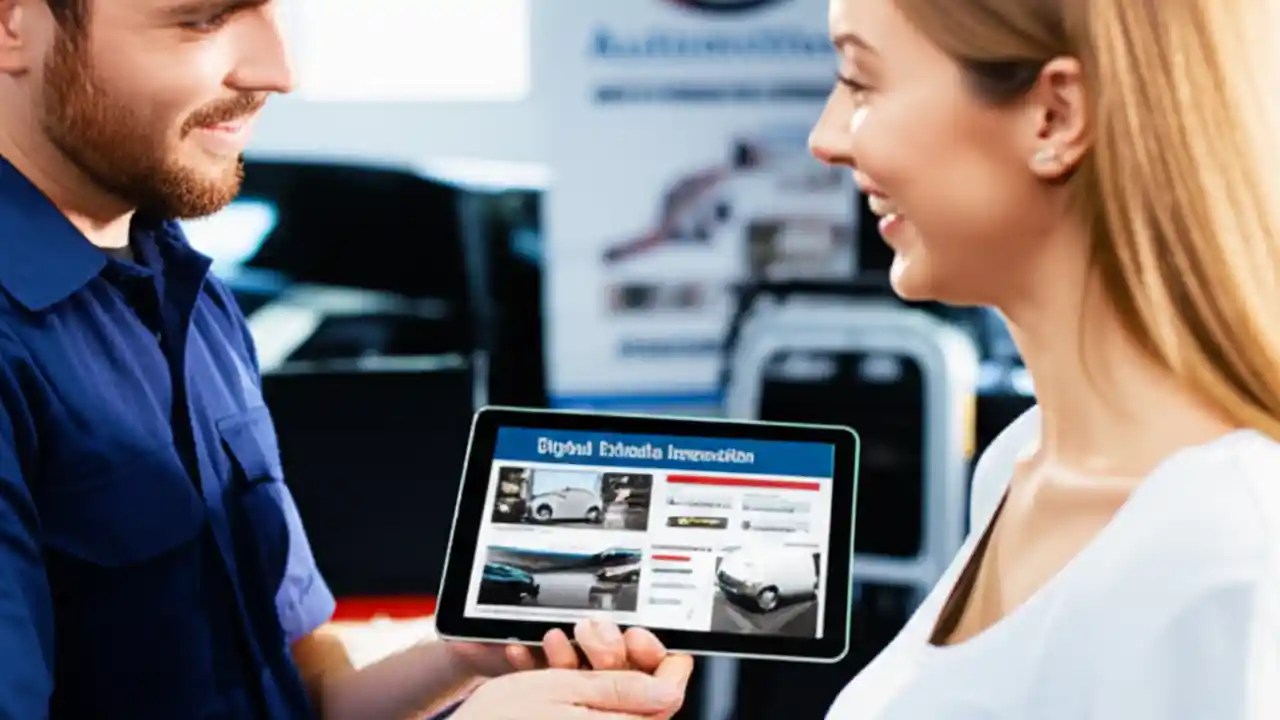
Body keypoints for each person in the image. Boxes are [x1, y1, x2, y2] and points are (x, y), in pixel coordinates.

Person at [0, 0, 691, 718]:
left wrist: (462, 654)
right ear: (13, 24)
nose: (277, 71)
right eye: (202, 19)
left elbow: (306, 691)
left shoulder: (192, 300)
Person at [809, 0, 1280, 717]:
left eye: (862, 82)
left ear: (1054, 116)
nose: (827, 136)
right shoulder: (1016, 464)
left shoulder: (1237, 557)